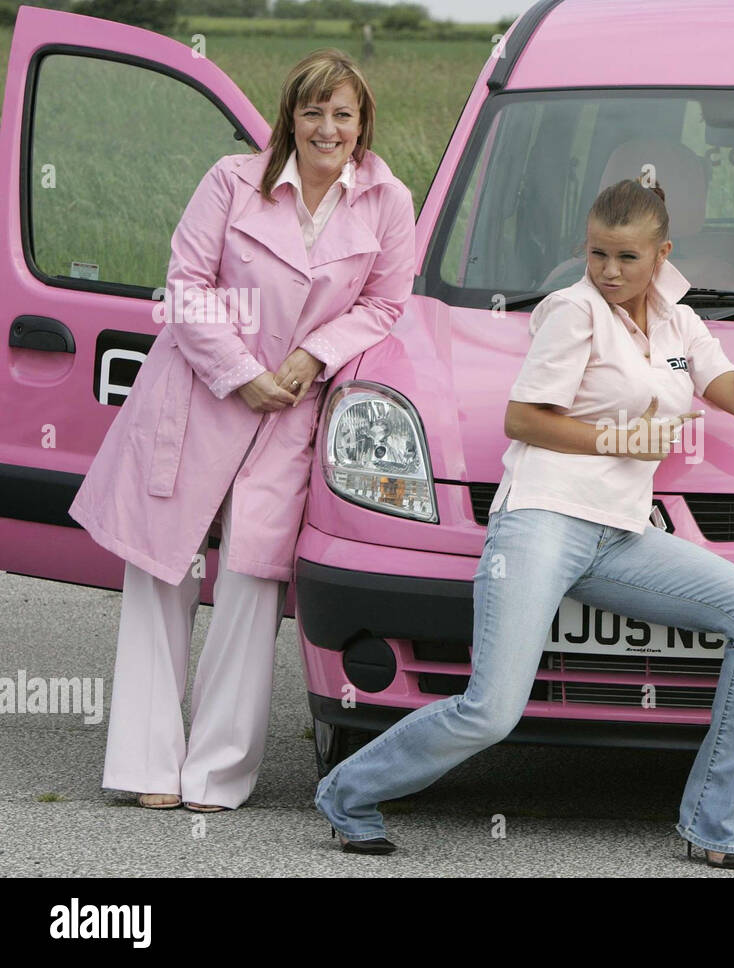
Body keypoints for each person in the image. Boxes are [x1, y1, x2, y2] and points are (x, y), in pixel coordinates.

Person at [315, 177, 734, 868]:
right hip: (541, 520)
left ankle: (718, 824)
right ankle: (347, 793)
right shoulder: (572, 311)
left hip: (619, 535)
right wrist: (623, 439)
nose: (610, 271)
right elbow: (522, 419)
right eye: (597, 254)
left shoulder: (681, 325)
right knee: (493, 710)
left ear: (662, 254)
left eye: (626, 257)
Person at [68, 49, 416, 813]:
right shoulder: (232, 181)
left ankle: (216, 774)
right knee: (162, 571)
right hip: (198, 390)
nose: (328, 128)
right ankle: (148, 764)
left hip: (293, 406)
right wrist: (239, 371)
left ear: (364, 125)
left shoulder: (388, 200)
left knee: (253, 580)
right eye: (313, 111)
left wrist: (308, 358)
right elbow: (185, 285)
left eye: (343, 114)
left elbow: (386, 305)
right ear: (289, 117)